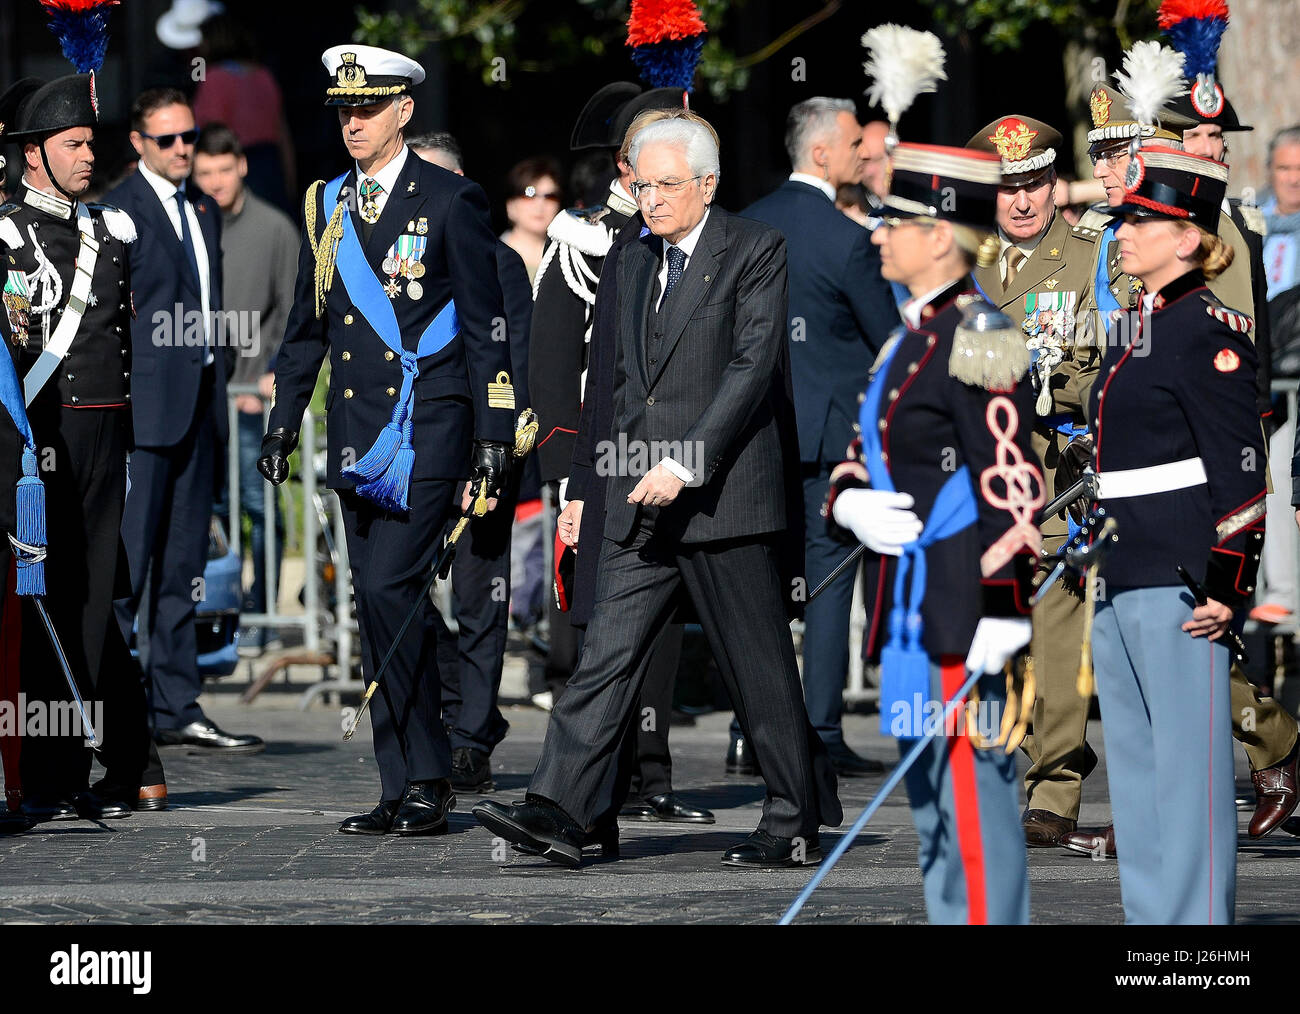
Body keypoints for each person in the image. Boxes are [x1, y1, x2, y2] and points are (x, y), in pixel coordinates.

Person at [473, 115, 841, 868]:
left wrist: (688, 461)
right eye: (642, 184)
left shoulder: (755, 250)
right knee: (604, 654)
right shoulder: (629, 259)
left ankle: (792, 813)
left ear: (707, 185)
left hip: (722, 497)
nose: (653, 198)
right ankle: (561, 807)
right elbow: (608, 385)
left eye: (669, 184)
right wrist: (584, 485)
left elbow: (751, 368)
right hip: (635, 496)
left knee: (756, 663)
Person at [258, 45, 517, 836]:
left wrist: (494, 437)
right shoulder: (325, 203)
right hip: (355, 434)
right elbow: (307, 328)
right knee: (376, 611)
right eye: (343, 110)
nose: (352, 122)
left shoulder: (451, 199)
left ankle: (432, 776)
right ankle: (397, 781)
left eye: (366, 108)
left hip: (427, 428)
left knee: (387, 591)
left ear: (404, 110)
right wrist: (282, 421)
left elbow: (485, 332)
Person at [829, 142, 1043, 924]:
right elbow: (865, 453)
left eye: (896, 221)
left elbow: (1011, 477)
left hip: (961, 606)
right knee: (932, 811)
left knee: (973, 809)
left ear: (942, 235)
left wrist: (1004, 604)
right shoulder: (905, 337)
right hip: (912, 609)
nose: (878, 234)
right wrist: (847, 503)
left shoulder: (980, 331)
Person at [1089, 145, 1264, 924]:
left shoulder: (1206, 332)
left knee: (1187, 778)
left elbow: (1241, 470)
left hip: (1182, 577)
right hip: (1120, 566)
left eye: (1141, 220)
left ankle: (1195, 945)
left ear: (1188, 236)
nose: (1123, 232)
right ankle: (1153, 930)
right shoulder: (1140, 325)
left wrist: (1229, 585)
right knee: (1134, 772)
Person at [0, 66, 167, 822]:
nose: (87, 155)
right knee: (49, 601)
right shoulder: (9, 231)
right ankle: (62, 765)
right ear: (32, 152)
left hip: (109, 434)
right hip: (43, 435)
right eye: (72, 143)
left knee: (98, 600)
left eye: (90, 142)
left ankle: (124, 759)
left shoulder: (111, 229)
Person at [742, 97, 897, 778]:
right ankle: (821, 729)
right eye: (855, 144)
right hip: (829, 435)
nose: (865, 156)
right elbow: (887, 340)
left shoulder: (743, 225)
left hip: (752, 434)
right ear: (821, 153)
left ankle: (755, 730)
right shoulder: (846, 240)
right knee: (831, 579)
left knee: (759, 583)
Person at [107, 89, 263, 754]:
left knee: (182, 567)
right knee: (126, 569)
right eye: (167, 139)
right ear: (139, 142)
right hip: (143, 416)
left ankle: (176, 701)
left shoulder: (201, 207)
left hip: (200, 404)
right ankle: (115, 709)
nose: (181, 150)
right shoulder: (118, 209)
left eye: (188, 138)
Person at [963, 115, 1103, 848]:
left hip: (1054, 477)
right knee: (999, 642)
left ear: (1055, 185)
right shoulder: (968, 263)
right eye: (1009, 187)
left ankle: (1055, 790)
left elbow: (1108, 361)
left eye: (1035, 184)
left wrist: (1062, 380)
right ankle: (1017, 764)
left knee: (1054, 642)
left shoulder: (1089, 257)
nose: (1022, 201)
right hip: (984, 482)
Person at [529, 83, 683, 708]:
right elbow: (555, 365)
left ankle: (656, 766)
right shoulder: (584, 238)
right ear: (626, 164)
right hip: (603, 453)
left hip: (675, 444)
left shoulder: (692, 236)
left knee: (666, 600)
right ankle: (597, 766)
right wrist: (567, 477)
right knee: (595, 602)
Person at [407, 130, 531, 794]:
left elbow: (512, 367)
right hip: (415, 456)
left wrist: (488, 459)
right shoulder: (400, 260)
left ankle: (473, 735)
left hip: (483, 458)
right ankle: (466, 707)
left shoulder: (497, 261)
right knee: (399, 590)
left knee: (482, 598)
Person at [193, 123, 298, 649]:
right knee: (209, 508)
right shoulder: (189, 224)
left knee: (259, 505)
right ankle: (220, 610)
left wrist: (272, 371)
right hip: (199, 399)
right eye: (204, 171)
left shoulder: (275, 228)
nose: (214, 181)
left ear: (242, 166)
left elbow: (295, 307)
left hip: (251, 399)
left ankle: (263, 610)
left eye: (223, 169)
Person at [501, 156, 564, 285]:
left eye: (550, 196)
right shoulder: (490, 259)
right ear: (510, 205)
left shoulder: (567, 260)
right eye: (529, 194)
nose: (540, 205)